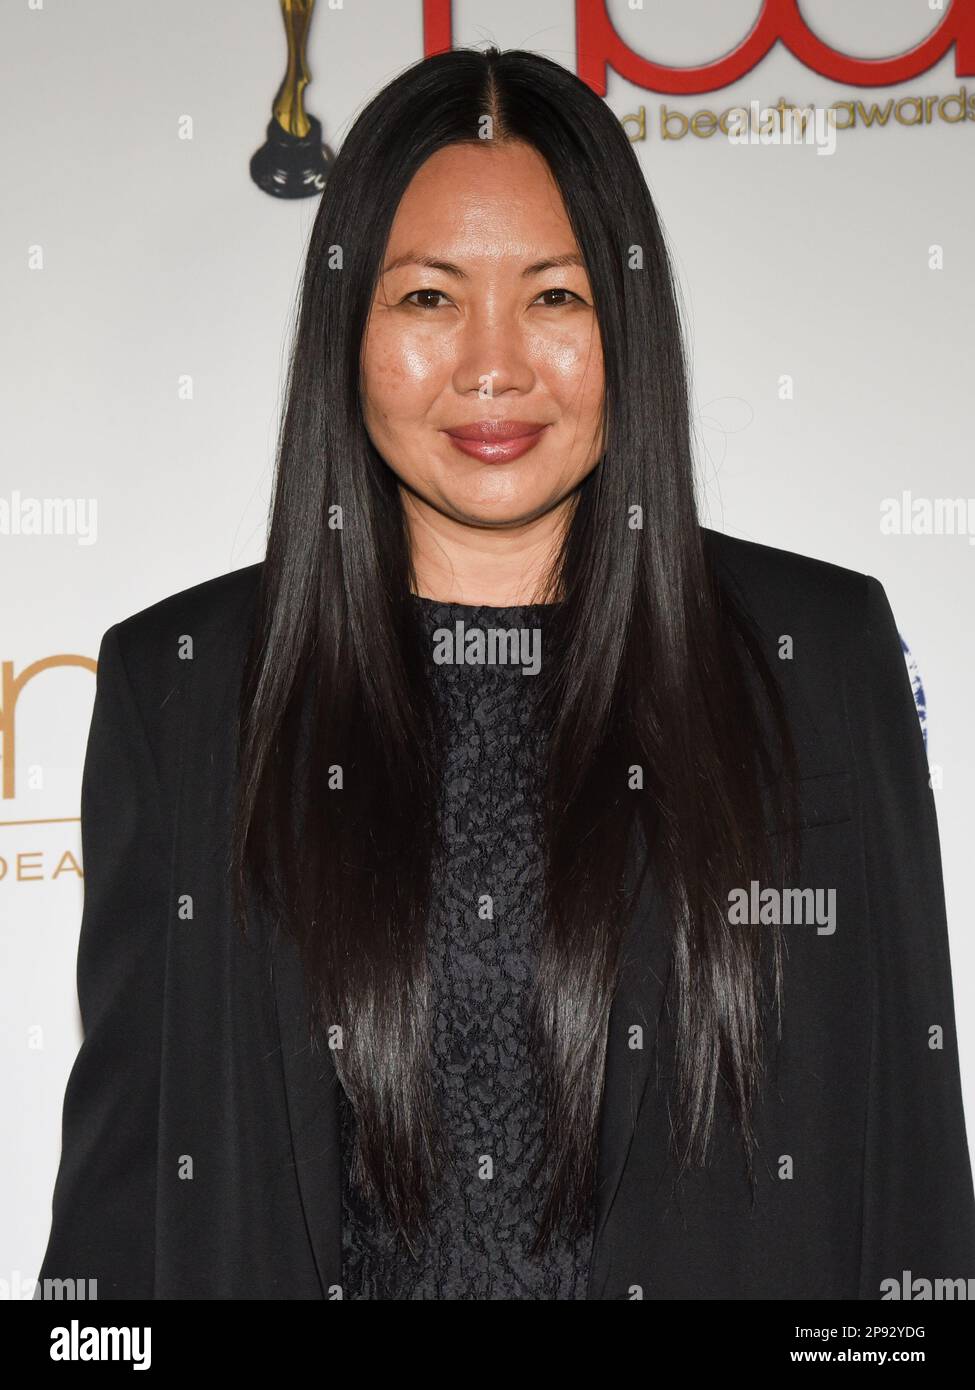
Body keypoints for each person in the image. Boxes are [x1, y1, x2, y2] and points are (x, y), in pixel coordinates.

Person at [36, 45, 975, 1301]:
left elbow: (908, 1183)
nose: (493, 365)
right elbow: (118, 1220)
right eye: (428, 298)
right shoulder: (189, 688)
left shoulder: (815, 659)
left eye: (554, 296)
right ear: (349, 324)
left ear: (625, 323)